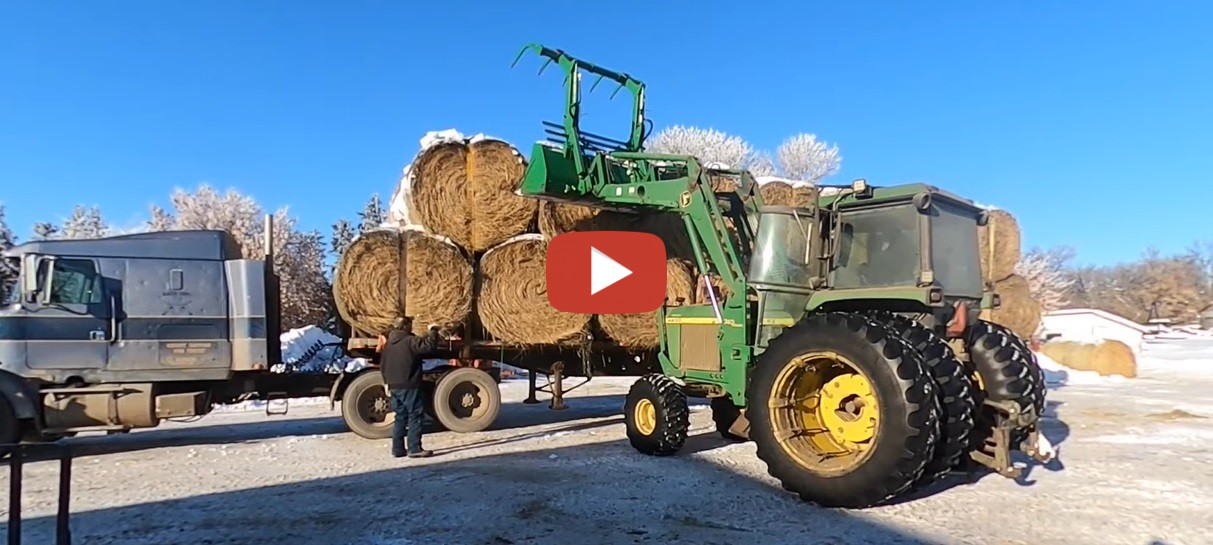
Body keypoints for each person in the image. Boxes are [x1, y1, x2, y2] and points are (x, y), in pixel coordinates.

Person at [376, 316, 441, 458]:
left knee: (400, 416)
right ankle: (414, 448)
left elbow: (383, 365)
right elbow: (428, 347)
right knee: (415, 414)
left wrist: (387, 382)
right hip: (409, 384)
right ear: (405, 326)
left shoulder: (389, 345)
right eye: (410, 324)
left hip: (394, 385)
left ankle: (397, 449)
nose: (412, 327)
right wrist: (433, 331)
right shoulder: (409, 341)